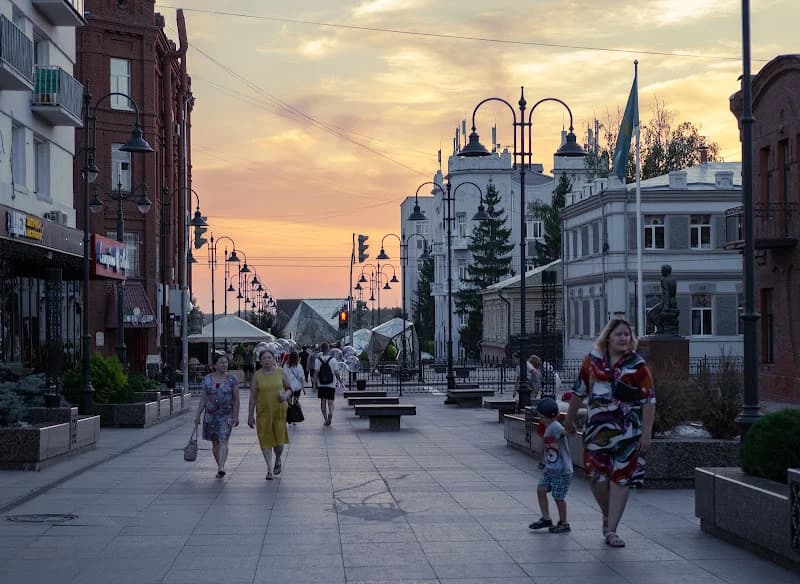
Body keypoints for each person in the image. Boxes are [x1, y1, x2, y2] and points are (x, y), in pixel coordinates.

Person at [563, 317, 656, 548]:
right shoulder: (592, 362)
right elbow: (578, 393)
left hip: (628, 434)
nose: (624, 338)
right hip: (596, 433)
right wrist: (569, 420)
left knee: (621, 479)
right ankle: (607, 513)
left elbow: (649, 400)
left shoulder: (637, 364)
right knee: (597, 478)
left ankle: (612, 530)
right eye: (619, 334)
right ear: (608, 337)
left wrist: (646, 434)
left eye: (627, 334)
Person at [529, 398, 573, 533]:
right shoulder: (548, 427)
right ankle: (546, 518)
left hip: (562, 470)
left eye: (540, 416)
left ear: (542, 415)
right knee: (541, 489)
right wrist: (542, 460)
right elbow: (546, 445)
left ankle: (564, 523)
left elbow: (566, 432)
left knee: (558, 497)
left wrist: (570, 425)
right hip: (550, 468)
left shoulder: (555, 426)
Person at [248, 349, 292, 480]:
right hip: (263, 413)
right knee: (265, 440)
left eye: (269, 357)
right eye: (264, 358)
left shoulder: (280, 372)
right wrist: (250, 415)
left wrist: (285, 396)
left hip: (279, 412)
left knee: (279, 441)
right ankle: (269, 469)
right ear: (260, 361)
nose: (267, 360)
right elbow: (253, 397)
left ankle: (278, 458)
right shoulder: (257, 375)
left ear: (274, 359)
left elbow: (289, 388)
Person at [195, 354, 240, 478]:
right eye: (221, 362)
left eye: (226, 362)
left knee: (223, 439)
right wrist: (198, 415)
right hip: (210, 416)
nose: (224, 365)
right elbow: (204, 398)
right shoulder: (207, 379)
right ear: (214, 365)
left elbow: (236, 400)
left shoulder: (232, 379)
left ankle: (221, 467)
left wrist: (236, 415)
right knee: (215, 442)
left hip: (226, 415)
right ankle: (220, 465)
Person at [312, 341, 341, 426]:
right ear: (328, 349)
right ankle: (330, 413)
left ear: (321, 349)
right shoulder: (333, 360)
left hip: (321, 384)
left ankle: (325, 419)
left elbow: (315, 373)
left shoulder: (318, 360)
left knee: (323, 402)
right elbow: (336, 373)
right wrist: (339, 379)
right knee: (331, 402)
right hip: (331, 384)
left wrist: (314, 385)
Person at [283, 350, 306, 424]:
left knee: (289, 403)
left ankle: (290, 417)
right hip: (297, 387)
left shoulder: (285, 366)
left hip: (289, 386)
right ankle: (295, 418)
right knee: (296, 402)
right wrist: (303, 388)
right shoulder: (299, 366)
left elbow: (284, 376)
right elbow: (301, 378)